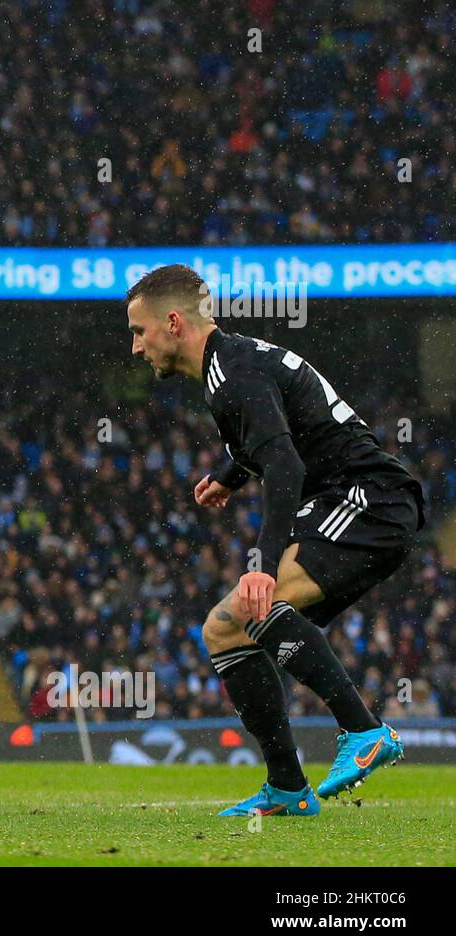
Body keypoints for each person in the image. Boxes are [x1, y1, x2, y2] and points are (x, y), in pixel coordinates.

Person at [125, 263, 420, 817]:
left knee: (257, 600)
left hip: (367, 499)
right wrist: (229, 475)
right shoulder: (231, 364)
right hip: (355, 501)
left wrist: (261, 562)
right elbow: (274, 436)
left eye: (139, 332)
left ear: (172, 323)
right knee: (225, 627)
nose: (136, 348)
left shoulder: (232, 374)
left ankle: (366, 731)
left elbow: (283, 463)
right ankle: (286, 786)